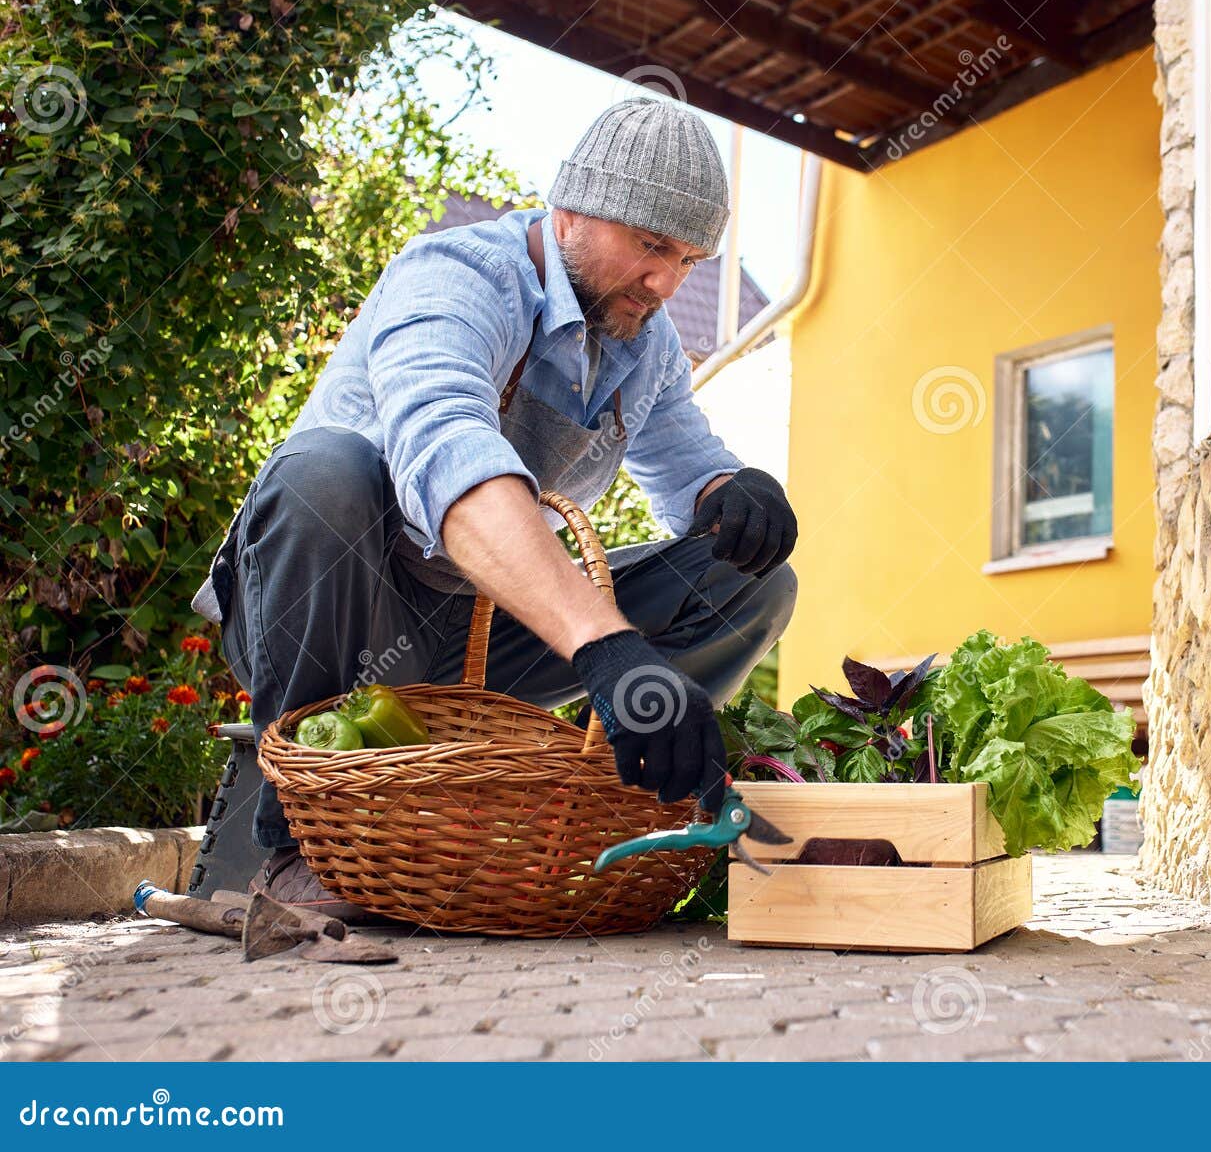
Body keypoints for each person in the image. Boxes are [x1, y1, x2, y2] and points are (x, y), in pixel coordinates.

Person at [189, 98, 799, 921]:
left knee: (751, 582)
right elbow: (447, 449)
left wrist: (734, 495)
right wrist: (604, 648)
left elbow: (689, 464)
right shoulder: (458, 277)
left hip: (479, 637)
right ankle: (303, 844)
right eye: (652, 246)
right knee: (323, 472)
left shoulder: (643, 342)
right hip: (334, 617)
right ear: (572, 207)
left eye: (690, 259)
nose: (667, 282)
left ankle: (617, 802)